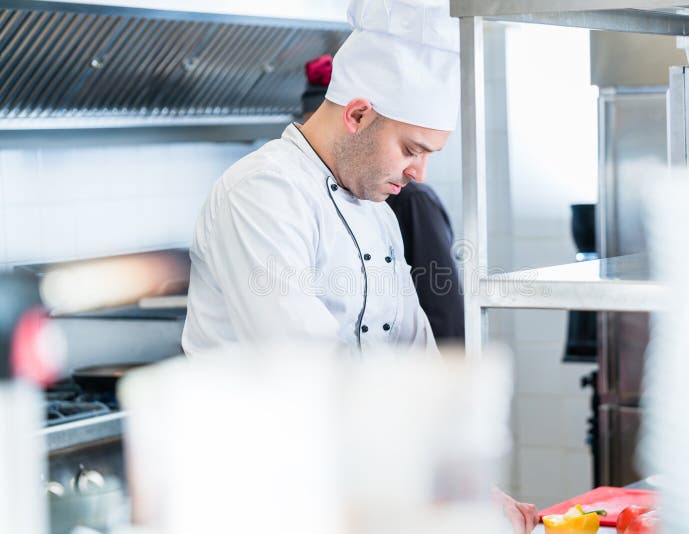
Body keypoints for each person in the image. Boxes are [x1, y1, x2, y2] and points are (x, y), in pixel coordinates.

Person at [182, 0, 536, 530]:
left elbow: (416, 361)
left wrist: (470, 486)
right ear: (358, 114)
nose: (419, 172)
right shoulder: (260, 193)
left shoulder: (377, 211)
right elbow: (310, 369)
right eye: (412, 149)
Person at [301, 54, 465, 344]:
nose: (418, 173)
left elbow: (441, 314)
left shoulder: (404, 202)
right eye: (411, 150)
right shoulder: (276, 192)